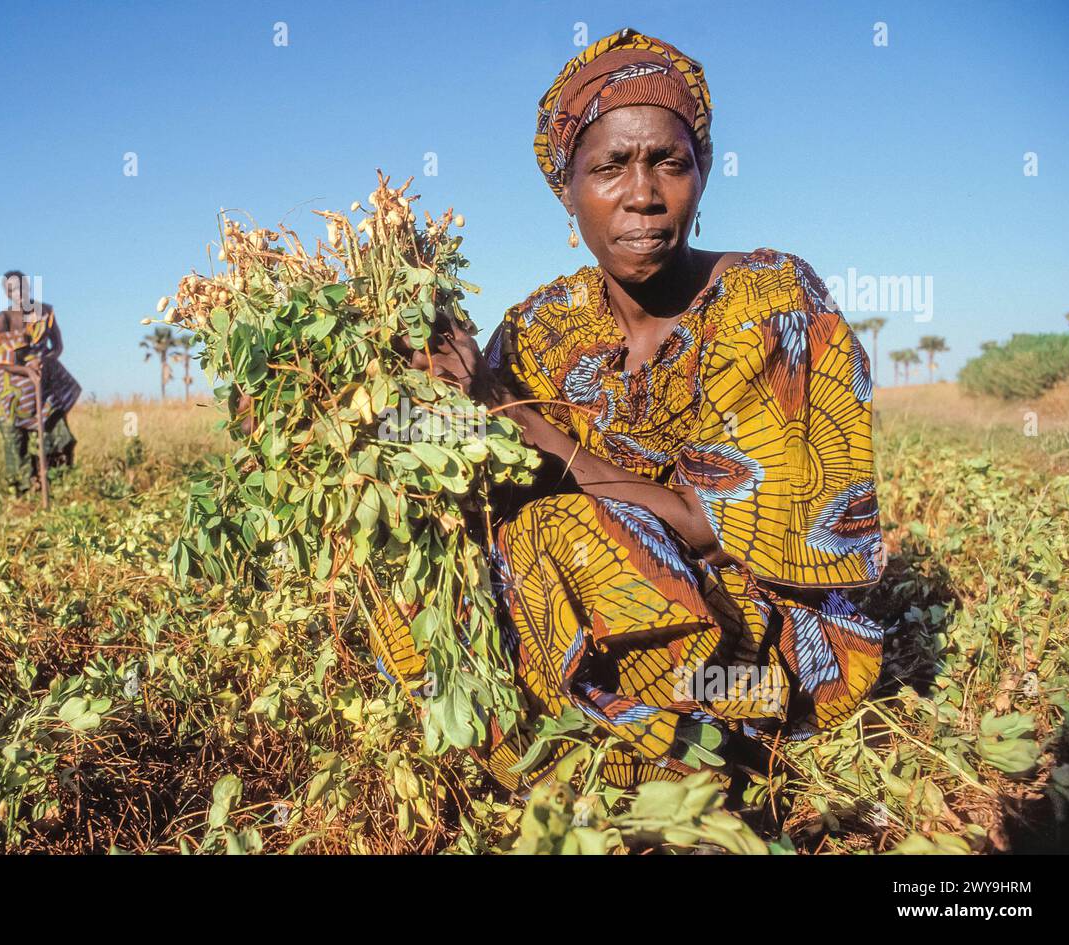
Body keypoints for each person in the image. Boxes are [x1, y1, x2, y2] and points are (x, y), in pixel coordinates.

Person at [373, 29, 886, 791]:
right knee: (415, 561)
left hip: (764, 661)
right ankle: (560, 750)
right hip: (607, 621)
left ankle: (696, 760)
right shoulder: (540, 328)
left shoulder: (771, 302)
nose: (642, 193)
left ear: (702, 174)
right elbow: (493, 484)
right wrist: (397, 404)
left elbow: (709, 529)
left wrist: (515, 415)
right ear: (568, 191)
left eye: (668, 163)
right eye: (609, 167)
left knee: (564, 531)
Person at [0, 270, 81, 495]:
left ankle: (52, 484)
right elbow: (1, 360)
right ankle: (22, 493)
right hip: (14, 388)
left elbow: (57, 347)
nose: (17, 293)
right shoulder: (3, 320)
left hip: (45, 383)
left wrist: (43, 360)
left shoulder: (45, 312)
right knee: (15, 443)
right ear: (6, 293)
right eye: (10, 290)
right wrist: (26, 370)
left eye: (20, 287)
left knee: (59, 438)